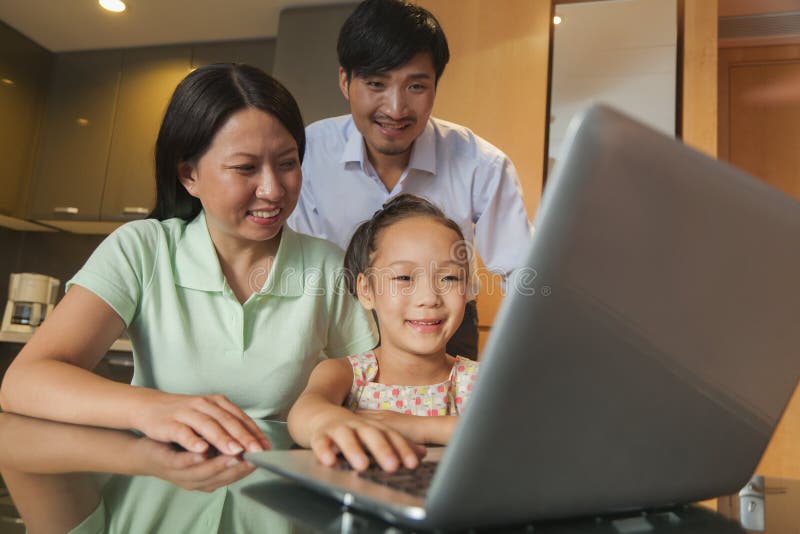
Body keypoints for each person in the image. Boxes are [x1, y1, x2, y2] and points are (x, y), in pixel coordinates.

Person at [0, 63, 381, 532]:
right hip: (152, 502)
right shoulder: (143, 249)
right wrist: (153, 408)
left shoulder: (326, 266)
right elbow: (25, 381)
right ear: (189, 175)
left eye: (287, 163)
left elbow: (373, 388)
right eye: (245, 168)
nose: (273, 189)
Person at [288, 0, 532, 360]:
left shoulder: (482, 164)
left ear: (435, 85)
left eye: (416, 86)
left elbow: (521, 271)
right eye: (376, 84)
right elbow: (299, 263)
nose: (396, 109)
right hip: (339, 323)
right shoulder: (308, 154)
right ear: (345, 81)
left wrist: (524, 360)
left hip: (442, 327)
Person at [288, 194, 480, 473]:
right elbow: (303, 412)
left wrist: (419, 427)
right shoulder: (346, 374)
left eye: (449, 278)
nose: (429, 298)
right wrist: (330, 422)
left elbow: (515, 433)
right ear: (366, 291)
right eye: (404, 278)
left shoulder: (479, 381)